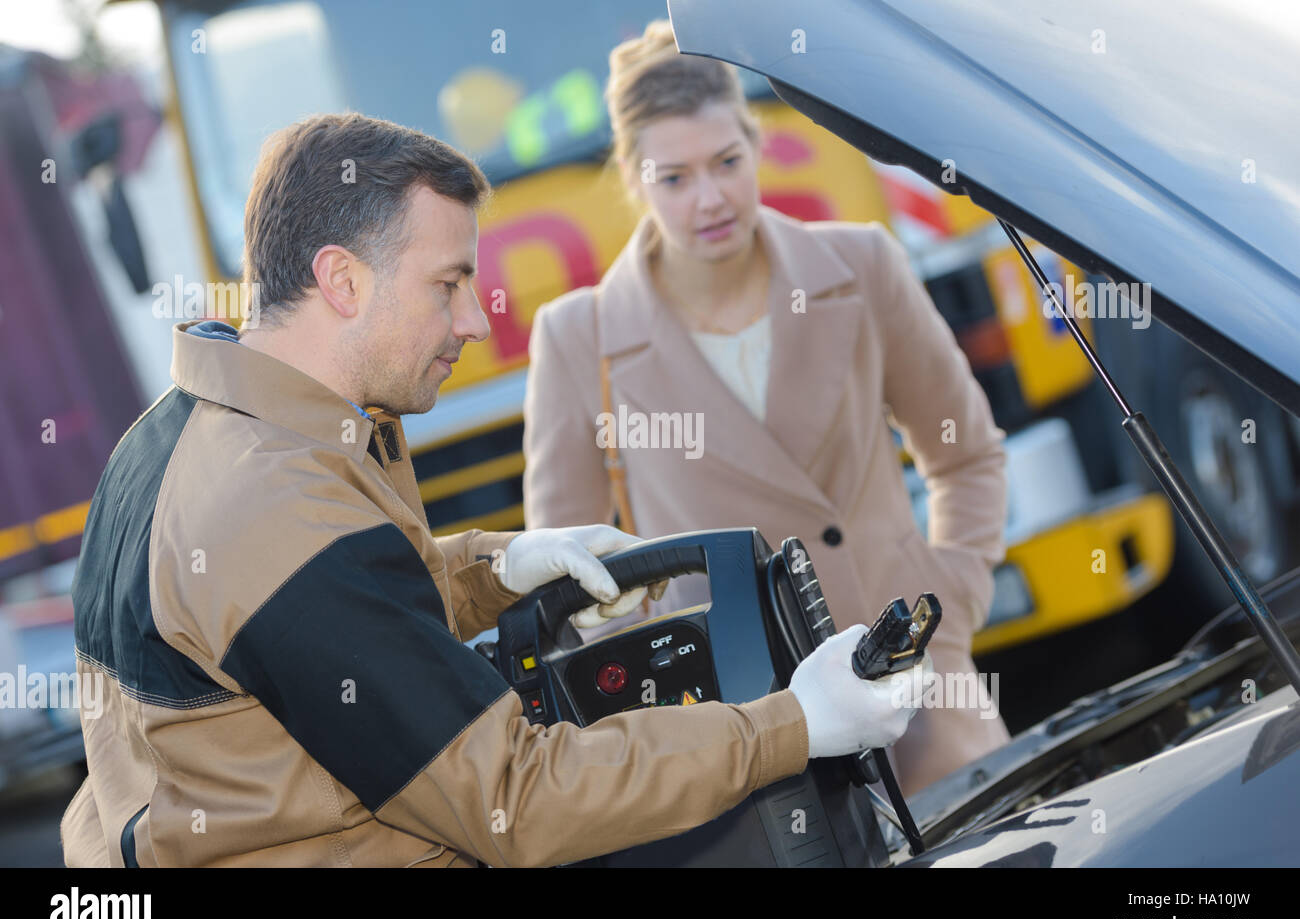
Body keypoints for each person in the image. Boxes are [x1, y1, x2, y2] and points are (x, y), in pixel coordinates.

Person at [60, 112, 927, 868]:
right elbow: (517, 800)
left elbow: (319, 631)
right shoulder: (275, 511)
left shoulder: (171, 439)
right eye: (448, 284)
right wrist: (793, 727)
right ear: (341, 279)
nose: (476, 319)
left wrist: (502, 569)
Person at [523, 20, 1011, 797]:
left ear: (758, 144)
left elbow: (967, 454)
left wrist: (945, 611)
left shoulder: (861, 264)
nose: (710, 198)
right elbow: (571, 587)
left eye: (727, 161)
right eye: (674, 178)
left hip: (917, 699)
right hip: (751, 747)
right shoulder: (579, 338)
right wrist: (671, 712)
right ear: (632, 176)